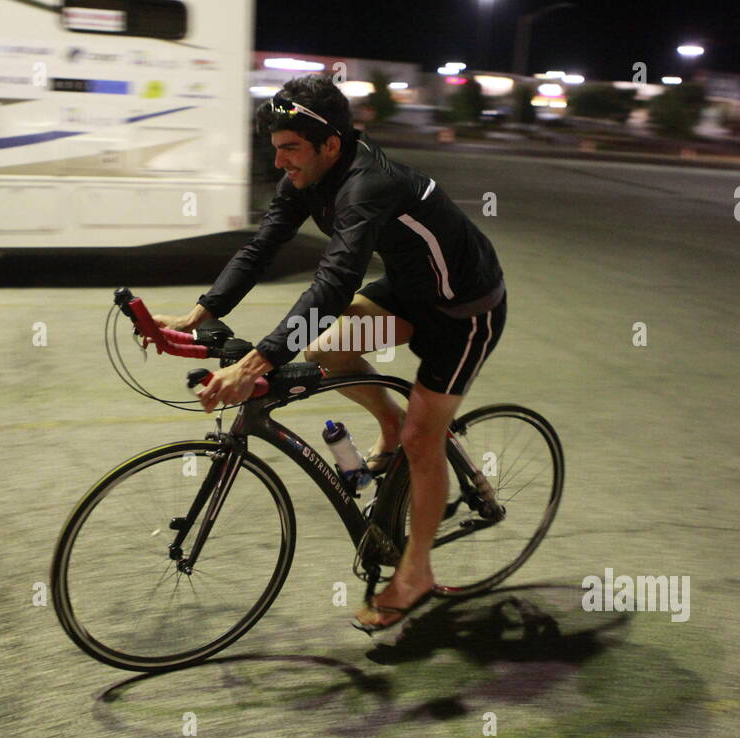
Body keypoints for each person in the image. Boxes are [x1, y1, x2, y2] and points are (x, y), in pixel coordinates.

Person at [154, 75, 507, 631]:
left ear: (331, 146)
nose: (280, 164)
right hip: (410, 294)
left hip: (465, 312)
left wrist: (259, 360)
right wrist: (203, 312)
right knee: (327, 354)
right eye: (275, 150)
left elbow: (335, 283)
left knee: (424, 439)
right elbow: (262, 245)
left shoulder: (368, 186)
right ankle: (389, 426)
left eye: (290, 149)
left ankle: (415, 573)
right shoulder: (307, 175)